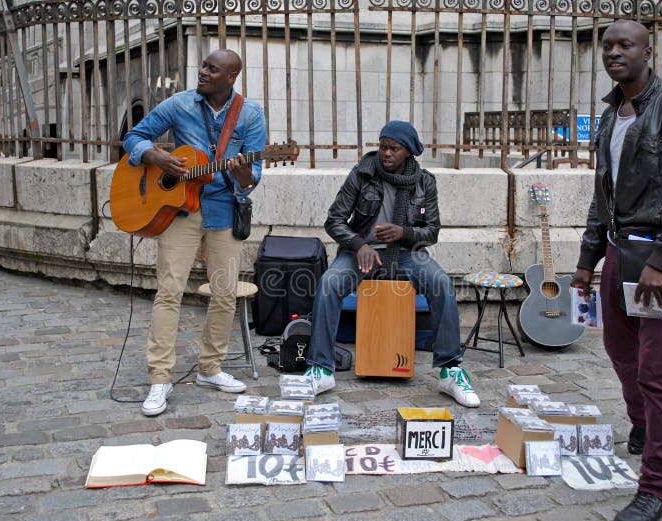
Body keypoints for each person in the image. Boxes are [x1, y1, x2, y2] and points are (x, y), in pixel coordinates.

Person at [571, 20, 662, 521]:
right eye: (607, 46)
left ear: (647, 52)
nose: (614, 53)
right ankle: (642, 424)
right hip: (619, 252)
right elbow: (603, 196)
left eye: (625, 45)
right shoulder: (612, 115)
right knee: (619, 351)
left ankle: (656, 488)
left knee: (659, 371)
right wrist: (587, 260)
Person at [123, 49, 267, 417]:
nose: (202, 72)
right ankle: (160, 377)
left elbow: (253, 176)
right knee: (169, 291)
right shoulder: (179, 104)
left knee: (225, 293)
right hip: (180, 212)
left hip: (224, 211)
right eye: (203, 65)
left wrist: (243, 175)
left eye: (212, 69)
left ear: (230, 77)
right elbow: (134, 137)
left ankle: (210, 367)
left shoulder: (250, 114)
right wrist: (156, 157)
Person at [303, 120, 480, 408]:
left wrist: (404, 232)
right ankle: (321, 369)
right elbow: (334, 220)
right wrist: (358, 244)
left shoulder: (425, 182)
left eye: (394, 148)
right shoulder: (362, 174)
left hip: (407, 251)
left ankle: (450, 371)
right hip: (362, 251)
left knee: (441, 284)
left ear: (408, 151)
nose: (386, 153)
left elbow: (432, 231)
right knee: (329, 283)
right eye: (383, 146)